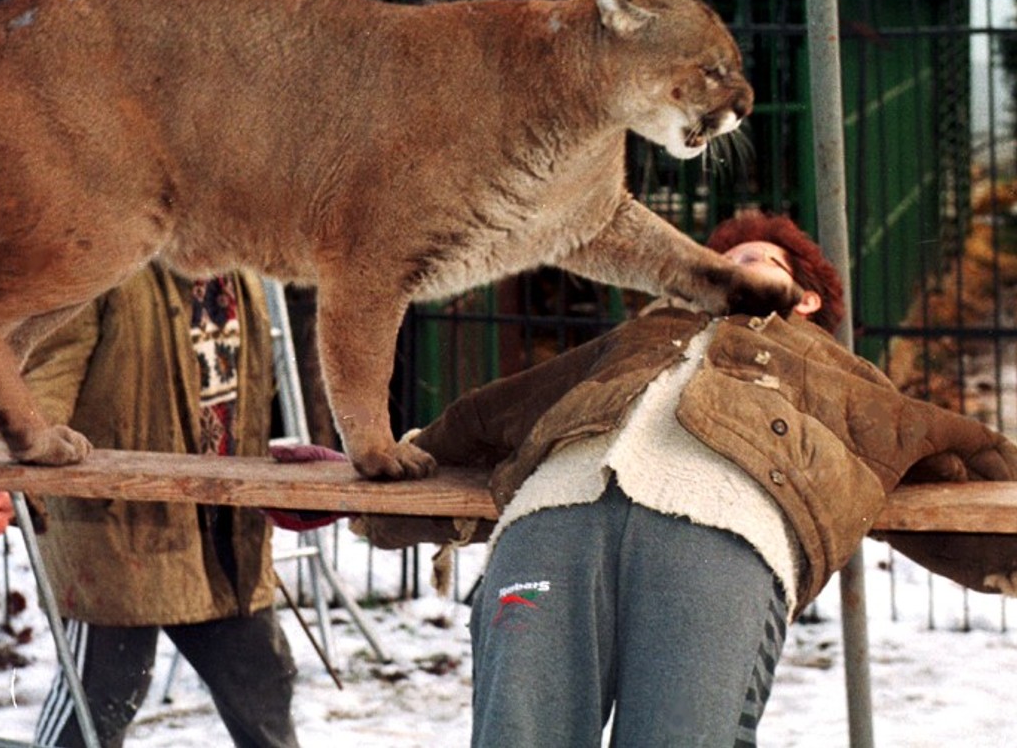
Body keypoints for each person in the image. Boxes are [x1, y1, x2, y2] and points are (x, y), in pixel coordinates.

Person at [356, 211, 1017, 747]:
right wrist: (380, 486)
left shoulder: (835, 374)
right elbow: (484, 415)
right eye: (717, 262)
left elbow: (959, 450)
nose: (731, 268)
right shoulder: (630, 340)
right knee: (518, 732)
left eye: (758, 259)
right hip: (553, 517)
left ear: (807, 298)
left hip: (723, 533)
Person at [0, 265, 300, 748]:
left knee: (262, 680)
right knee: (101, 695)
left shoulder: (241, 263)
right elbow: (47, 376)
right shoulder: (108, 253)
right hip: (117, 530)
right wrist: (15, 483)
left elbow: (248, 388)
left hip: (222, 530)